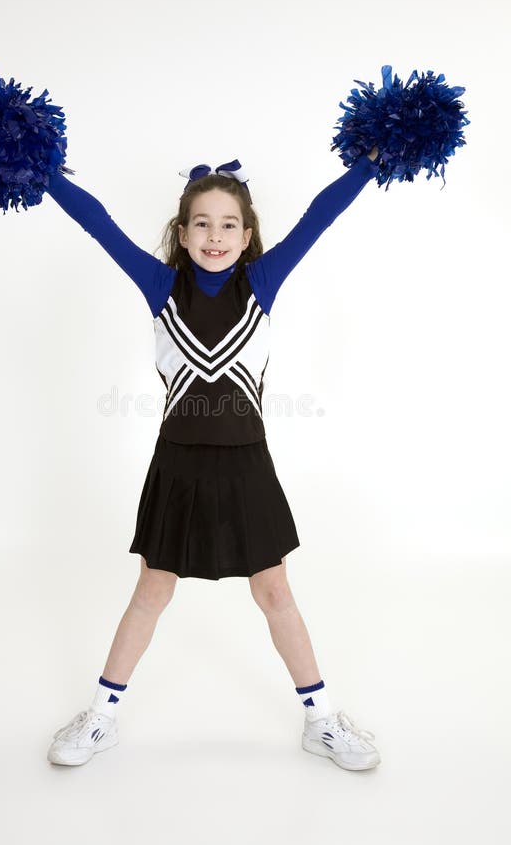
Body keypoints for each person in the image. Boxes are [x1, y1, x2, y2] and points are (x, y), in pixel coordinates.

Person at [45, 148, 381, 771]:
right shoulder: (160, 286)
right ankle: (101, 715)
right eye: (201, 223)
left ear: (248, 235)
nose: (215, 236)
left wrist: (367, 164)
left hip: (248, 465)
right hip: (176, 466)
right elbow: (96, 222)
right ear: (181, 232)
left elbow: (318, 217)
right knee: (152, 587)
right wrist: (38, 172)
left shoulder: (262, 283)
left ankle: (323, 720)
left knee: (275, 589)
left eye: (229, 224)